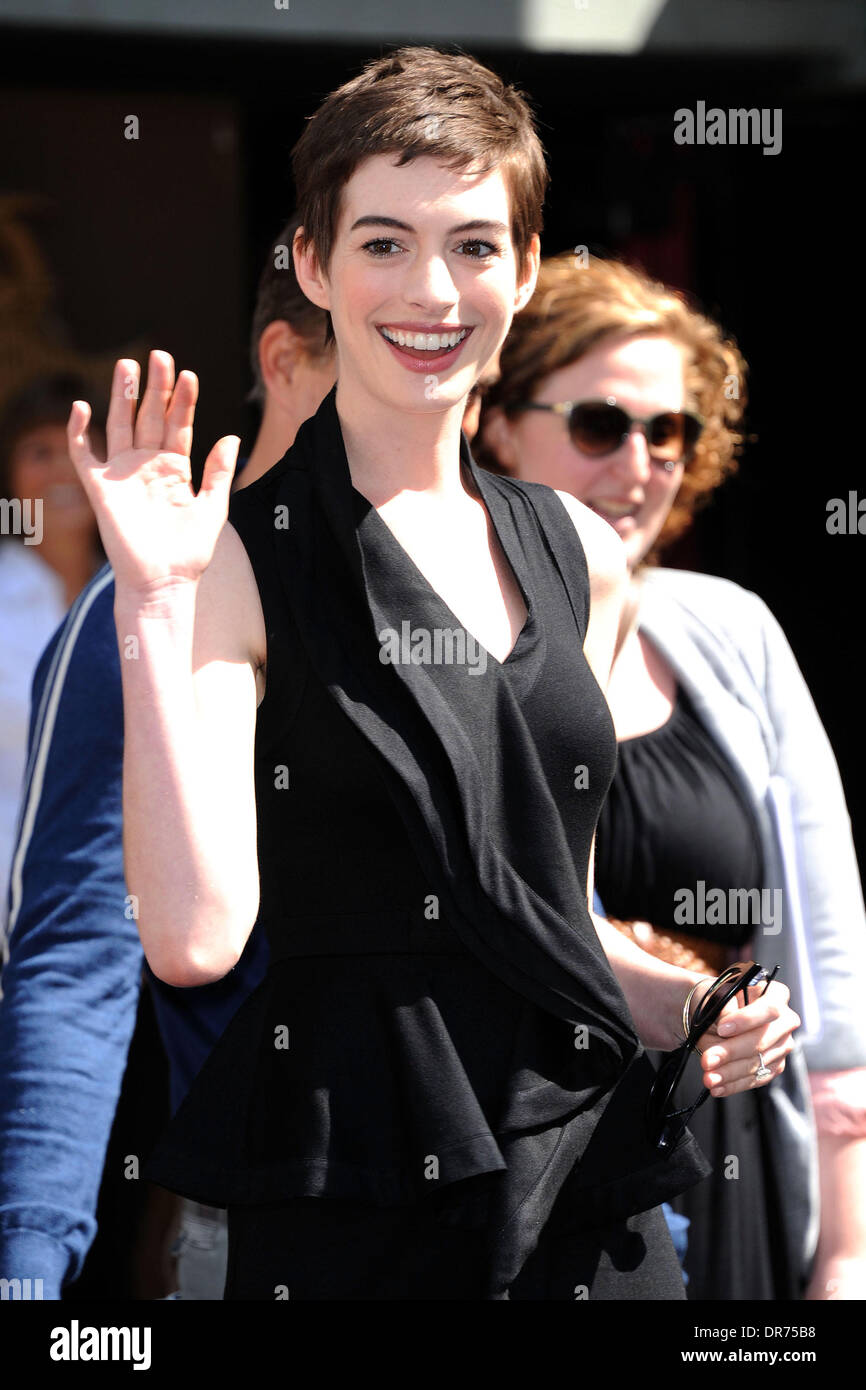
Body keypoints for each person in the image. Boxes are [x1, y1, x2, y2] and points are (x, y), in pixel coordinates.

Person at [68, 47, 799, 1301]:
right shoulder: (233, 562)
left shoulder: (576, 551)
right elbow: (194, 940)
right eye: (383, 242)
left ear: (522, 268)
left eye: (471, 244)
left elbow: (546, 920)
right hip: (353, 1203)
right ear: (312, 264)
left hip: (586, 1189)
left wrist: (700, 1002)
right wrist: (151, 597)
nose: (431, 289)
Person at [477, 250, 866, 1299]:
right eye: (600, 424)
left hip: (733, 1151)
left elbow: (825, 951)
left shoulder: (727, 630)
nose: (640, 461)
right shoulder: (441, 638)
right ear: (496, 421)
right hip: (524, 1172)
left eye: (669, 432)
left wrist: (844, 1253)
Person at [0, 214, 335, 1301]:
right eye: (374, 363)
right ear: (284, 360)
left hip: (518, 1222)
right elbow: (81, 952)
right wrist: (30, 1256)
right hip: (266, 1225)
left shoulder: (501, 589)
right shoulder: (146, 605)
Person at [0, 374, 103, 926]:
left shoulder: (147, 597)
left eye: (82, 445)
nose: (64, 468)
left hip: (127, 920)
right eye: (40, 450)